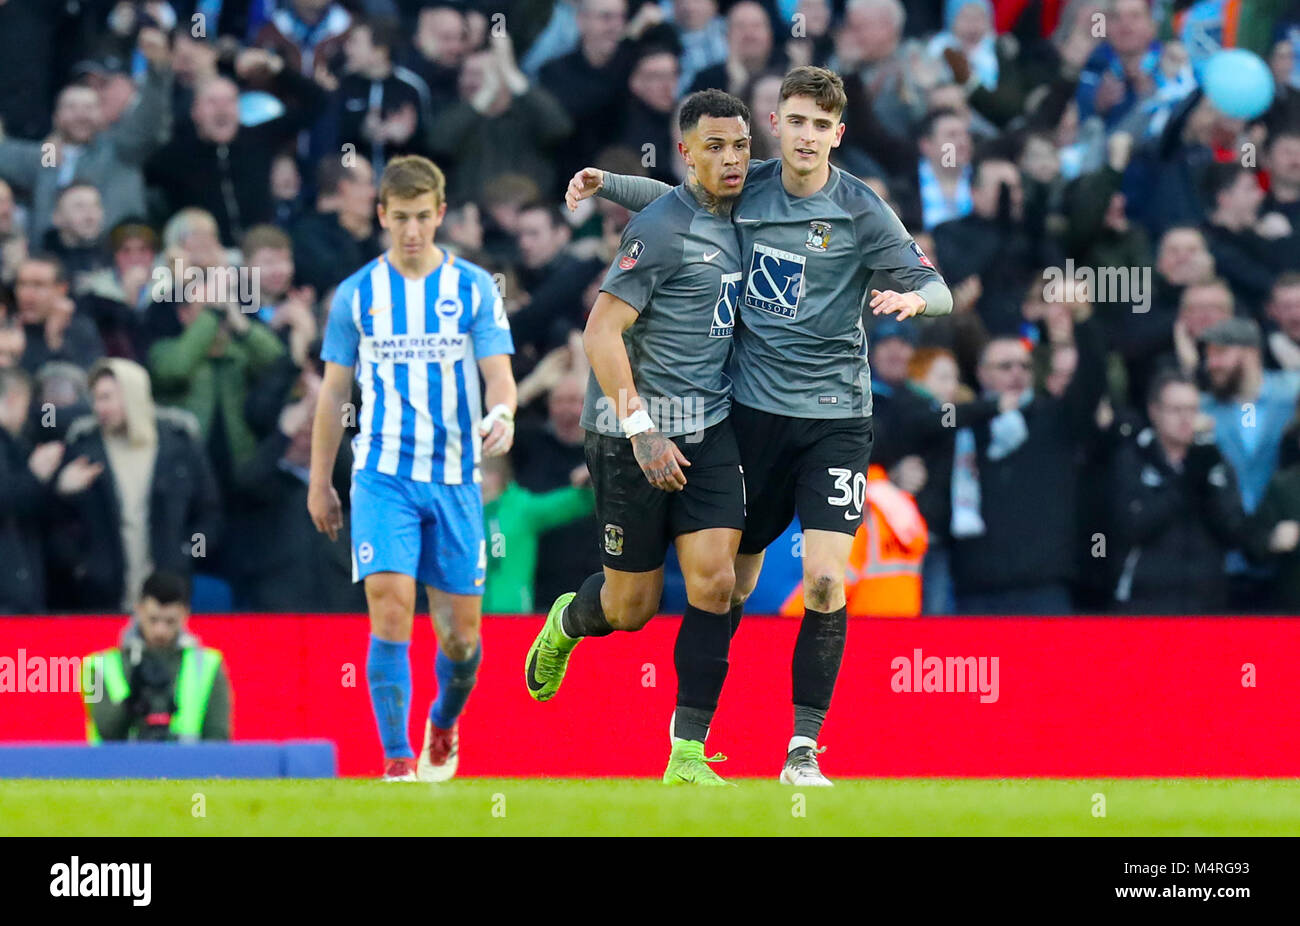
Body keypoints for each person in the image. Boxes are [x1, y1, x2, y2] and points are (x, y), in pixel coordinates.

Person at [574, 66, 953, 785]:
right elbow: (680, 202)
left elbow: (933, 281)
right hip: (749, 415)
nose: (808, 135)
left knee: (822, 581)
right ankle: (689, 745)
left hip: (838, 419)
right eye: (797, 121)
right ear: (779, 125)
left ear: (838, 135)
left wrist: (917, 305)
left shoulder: (863, 210)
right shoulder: (748, 181)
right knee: (726, 586)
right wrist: (609, 183)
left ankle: (802, 750)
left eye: (823, 125)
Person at [525, 89, 751, 785]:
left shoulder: (740, 209)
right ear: (688, 154)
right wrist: (643, 430)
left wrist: (613, 182)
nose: (733, 159)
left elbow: (683, 198)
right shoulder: (655, 232)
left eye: (740, 144)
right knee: (632, 610)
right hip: (630, 435)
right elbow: (599, 333)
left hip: (709, 425)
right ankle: (569, 620)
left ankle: (687, 752)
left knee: (717, 584)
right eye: (714, 146)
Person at [309, 155, 517, 783]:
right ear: (382, 216)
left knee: (460, 641)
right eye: (400, 218)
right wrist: (322, 481)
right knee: (391, 604)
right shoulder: (357, 295)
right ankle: (397, 759)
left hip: (455, 479)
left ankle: (444, 722)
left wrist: (503, 413)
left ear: (441, 215)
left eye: (423, 218)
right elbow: (332, 394)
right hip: (381, 474)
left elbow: (498, 375)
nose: (411, 231)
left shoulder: (474, 288)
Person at [48, 359, 221, 613]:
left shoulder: (179, 443)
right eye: (95, 399)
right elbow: (57, 524)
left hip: (167, 594)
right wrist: (82, 566)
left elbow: (209, 512)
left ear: (133, 395)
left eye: (107, 398)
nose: (99, 408)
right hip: (102, 596)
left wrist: (187, 554)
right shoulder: (83, 445)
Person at [1111, 371, 1245, 613]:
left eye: (1192, 410)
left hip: (1205, 605)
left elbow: (1233, 531)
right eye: (1176, 410)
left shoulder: (1214, 462)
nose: (1186, 419)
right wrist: (1186, 483)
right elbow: (1131, 526)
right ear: (1154, 412)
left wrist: (1205, 478)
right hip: (1145, 604)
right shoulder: (1132, 459)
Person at [83, 570, 231, 742]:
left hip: (187, 767)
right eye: (153, 620)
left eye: (170, 621)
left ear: (184, 614)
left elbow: (218, 738)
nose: (160, 631)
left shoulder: (207, 665)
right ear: (139, 610)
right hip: (124, 768)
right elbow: (106, 732)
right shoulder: (101, 666)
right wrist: (131, 703)